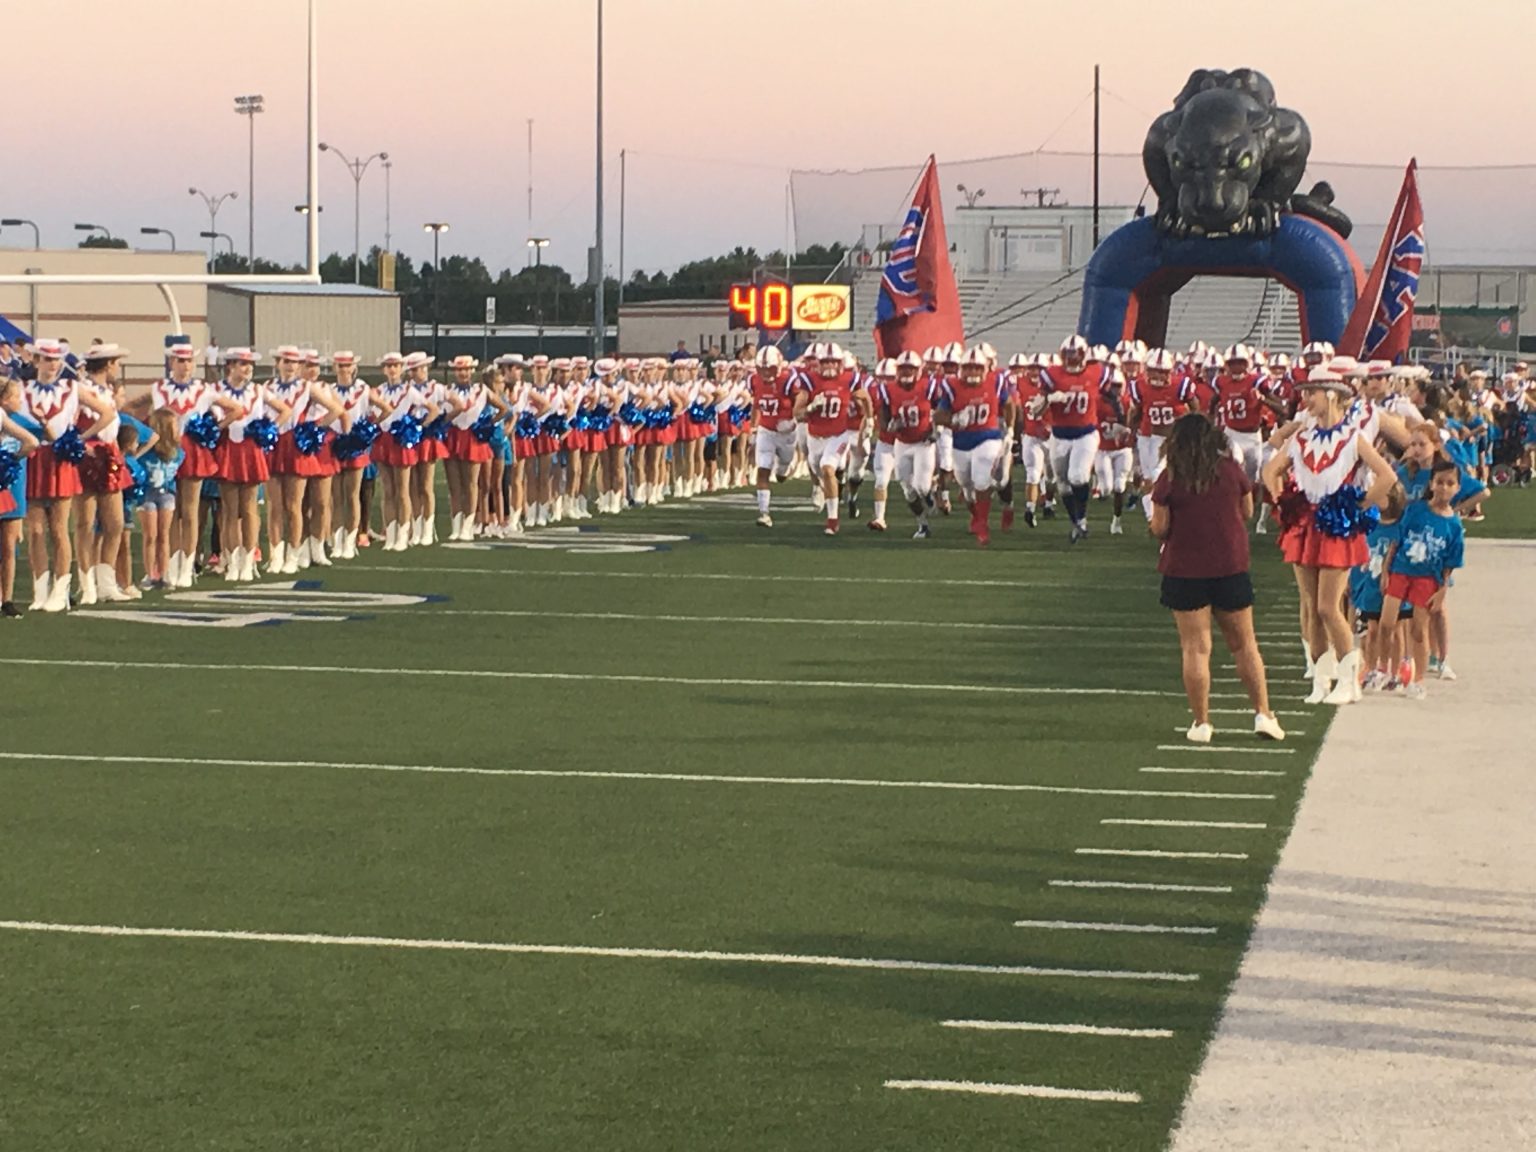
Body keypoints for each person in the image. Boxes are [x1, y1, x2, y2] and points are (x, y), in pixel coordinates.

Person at [1262, 365, 1399, 705]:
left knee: (1327, 606)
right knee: (1312, 605)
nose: (1306, 398)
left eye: (1313, 392)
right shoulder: (1301, 437)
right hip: (1305, 525)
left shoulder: (1353, 437)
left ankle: (1349, 678)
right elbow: (1270, 470)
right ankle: (1321, 680)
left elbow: (1386, 476)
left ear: (1333, 395)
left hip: (1336, 526)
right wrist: (1285, 500)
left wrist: (1358, 504)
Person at [1150, 413, 1285, 744]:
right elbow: (1248, 512)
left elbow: (1160, 527)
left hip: (1184, 568)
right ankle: (1263, 713)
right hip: (1230, 565)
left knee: (1196, 649)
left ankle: (1201, 722)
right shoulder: (1231, 471)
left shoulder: (1170, 476)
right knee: (1245, 645)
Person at [1377, 458, 1466, 699]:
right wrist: (1386, 570)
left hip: (1427, 579)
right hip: (1401, 571)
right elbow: (1397, 541)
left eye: (1450, 483)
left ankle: (1417, 679)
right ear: (1432, 483)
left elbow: (1450, 562)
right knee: (1386, 623)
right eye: (1440, 482)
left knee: (1419, 630)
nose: (1444, 488)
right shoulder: (1415, 510)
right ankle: (1384, 669)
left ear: (1457, 487)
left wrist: (1442, 589)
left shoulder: (1454, 525)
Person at [0, 375, 42, 616]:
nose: (20, 400)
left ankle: (7, 599)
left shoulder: (5, 418)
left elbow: (33, 441)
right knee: (6, 546)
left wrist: (10, 461)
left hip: (7, 488)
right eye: (16, 396)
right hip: (5, 488)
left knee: (8, 545)